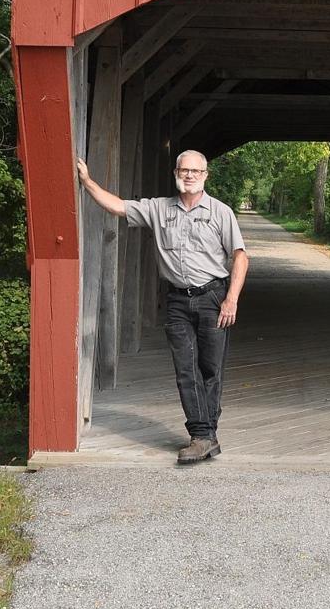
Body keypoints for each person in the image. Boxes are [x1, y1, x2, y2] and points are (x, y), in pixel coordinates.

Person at [75, 150, 249, 464]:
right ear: (175, 173)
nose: (190, 175)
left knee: (211, 370)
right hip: (178, 300)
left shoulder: (221, 213)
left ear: (205, 175)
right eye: (184, 170)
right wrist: (88, 182)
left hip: (213, 298)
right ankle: (201, 435)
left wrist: (231, 299)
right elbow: (119, 206)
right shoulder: (158, 209)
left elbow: (240, 256)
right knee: (186, 369)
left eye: (196, 171)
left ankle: (207, 433)